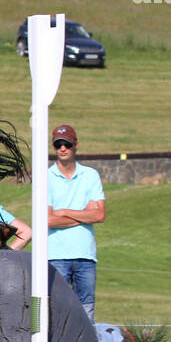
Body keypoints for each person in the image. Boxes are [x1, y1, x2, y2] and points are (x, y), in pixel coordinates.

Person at [47, 124, 105, 321]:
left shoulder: (90, 176)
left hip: (85, 255)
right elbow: (47, 219)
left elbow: (99, 215)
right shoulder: (46, 177)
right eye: (58, 145)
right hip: (56, 254)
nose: (63, 148)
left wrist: (63, 212)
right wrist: (82, 215)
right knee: (56, 310)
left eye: (67, 144)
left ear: (75, 145)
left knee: (86, 311)